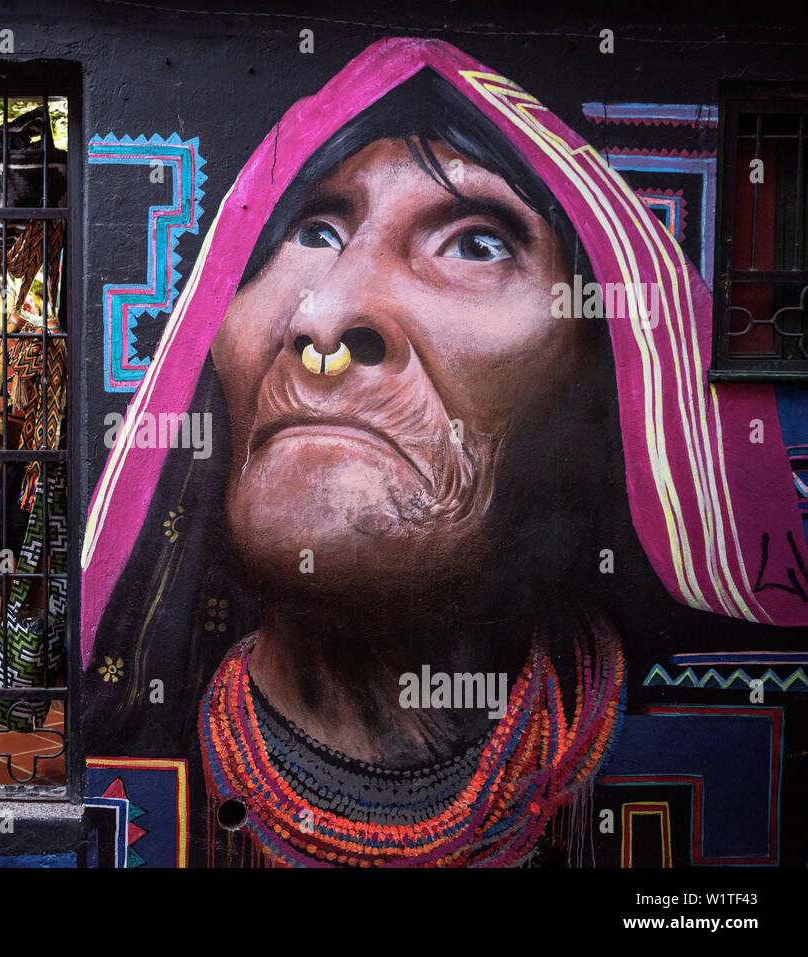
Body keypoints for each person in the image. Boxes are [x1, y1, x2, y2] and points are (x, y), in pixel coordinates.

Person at [83, 38, 808, 867]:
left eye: (474, 243)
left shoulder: (733, 750)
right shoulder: (112, 761)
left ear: (599, 375)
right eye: (313, 230)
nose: (325, 322)